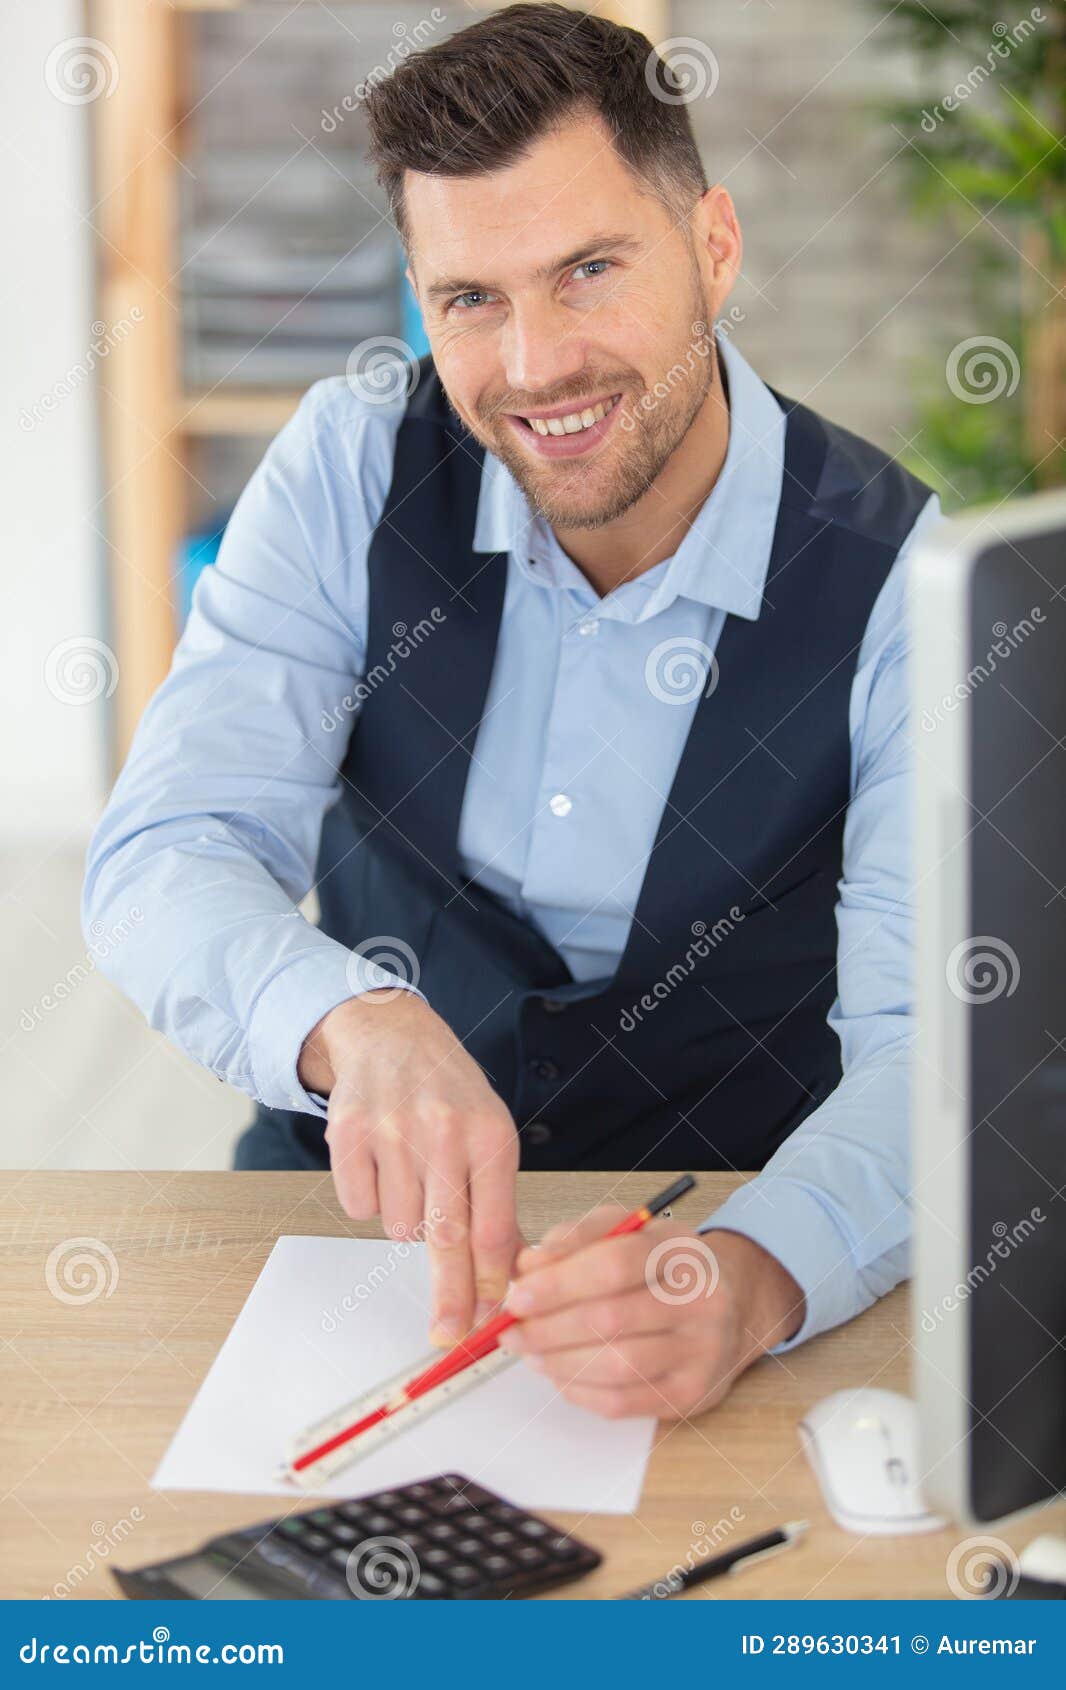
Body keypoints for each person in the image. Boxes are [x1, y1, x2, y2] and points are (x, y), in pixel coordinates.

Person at [84, 4, 939, 1423]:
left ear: (713, 247)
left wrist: (753, 1273)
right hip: (355, 1245)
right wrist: (344, 1017)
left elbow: (933, 1052)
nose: (535, 365)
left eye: (589, 270)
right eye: (470, 298)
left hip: (710, 1233)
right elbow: (167, 845)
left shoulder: (900, 572)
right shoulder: (352, 465)